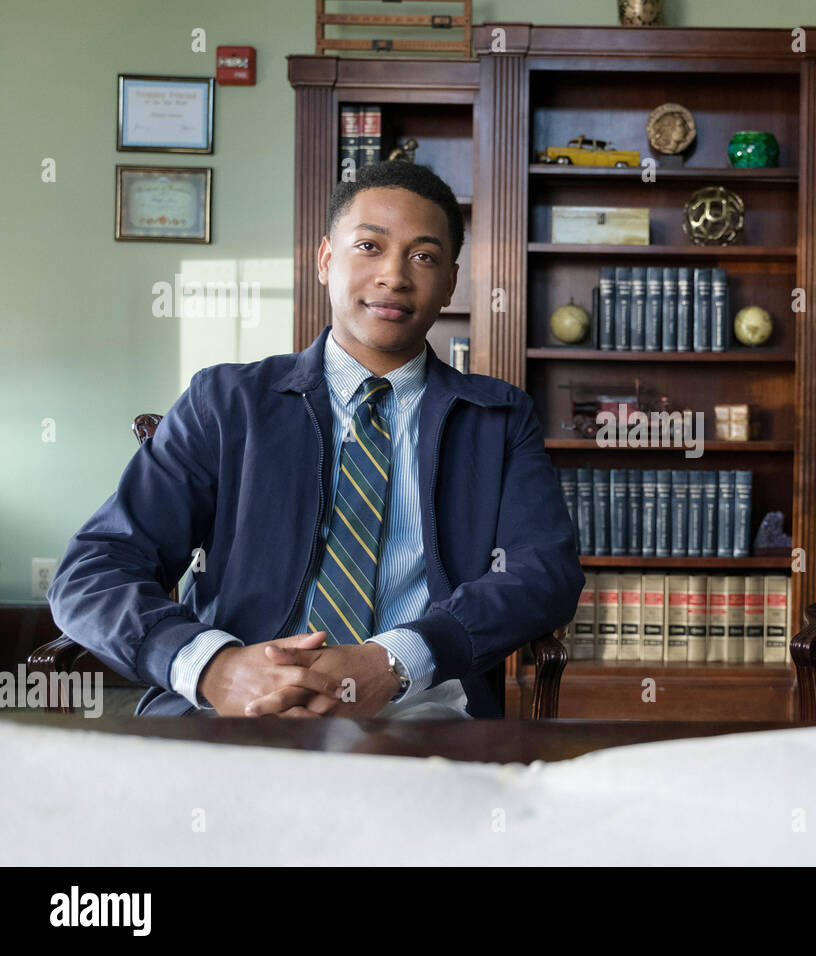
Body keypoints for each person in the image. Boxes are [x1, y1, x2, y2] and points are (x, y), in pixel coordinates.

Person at [48, 161, 584, 719]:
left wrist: (393, 661)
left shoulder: (498, 418)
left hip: (420, 705)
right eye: (370, 247)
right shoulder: (227, 403)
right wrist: (213, 667)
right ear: (326, 260)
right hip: (234, 708)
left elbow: (542, 573)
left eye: (422, 256)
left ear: (450, 281)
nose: (394, 276)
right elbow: (96, 568)